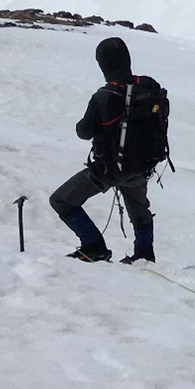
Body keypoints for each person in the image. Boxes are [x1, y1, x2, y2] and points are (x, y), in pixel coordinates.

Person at [50, 36, 161, 263]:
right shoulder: (148, 87)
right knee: (139, 211)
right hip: (141, 166)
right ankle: (144, 254)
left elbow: (84, 131)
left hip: (107, 170)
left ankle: (94, 246)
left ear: (103, 65)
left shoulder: (104, 96)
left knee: (61, 201)